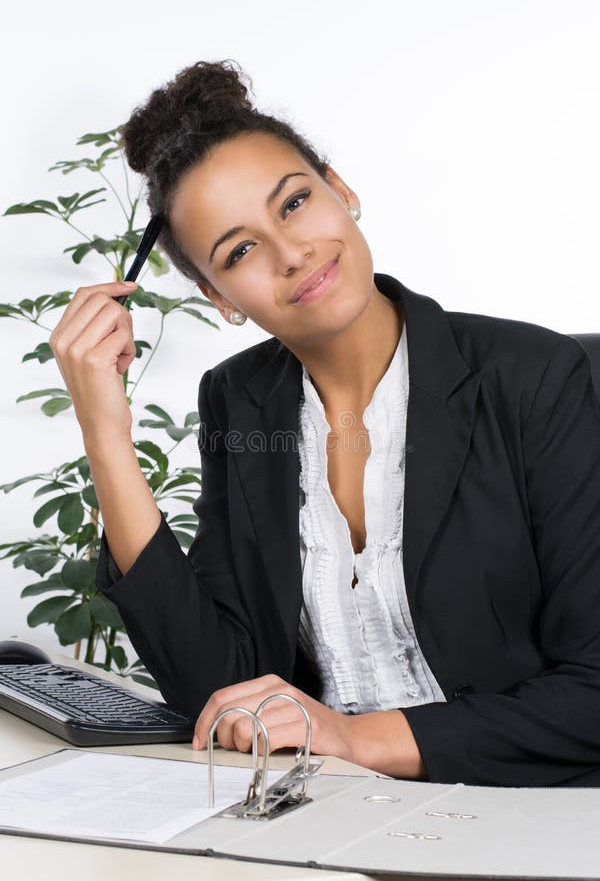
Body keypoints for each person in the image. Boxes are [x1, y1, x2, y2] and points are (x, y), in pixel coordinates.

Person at [49, 59, 600, 788]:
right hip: (334, 813)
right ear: (219, 298)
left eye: (295, 203)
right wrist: (105, 434)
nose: (291, 253)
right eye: (239, 251)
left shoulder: (534, 376)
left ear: (342, 191)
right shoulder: (242, 404)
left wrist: (355, 738)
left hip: (527, 812)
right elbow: (217, 685)